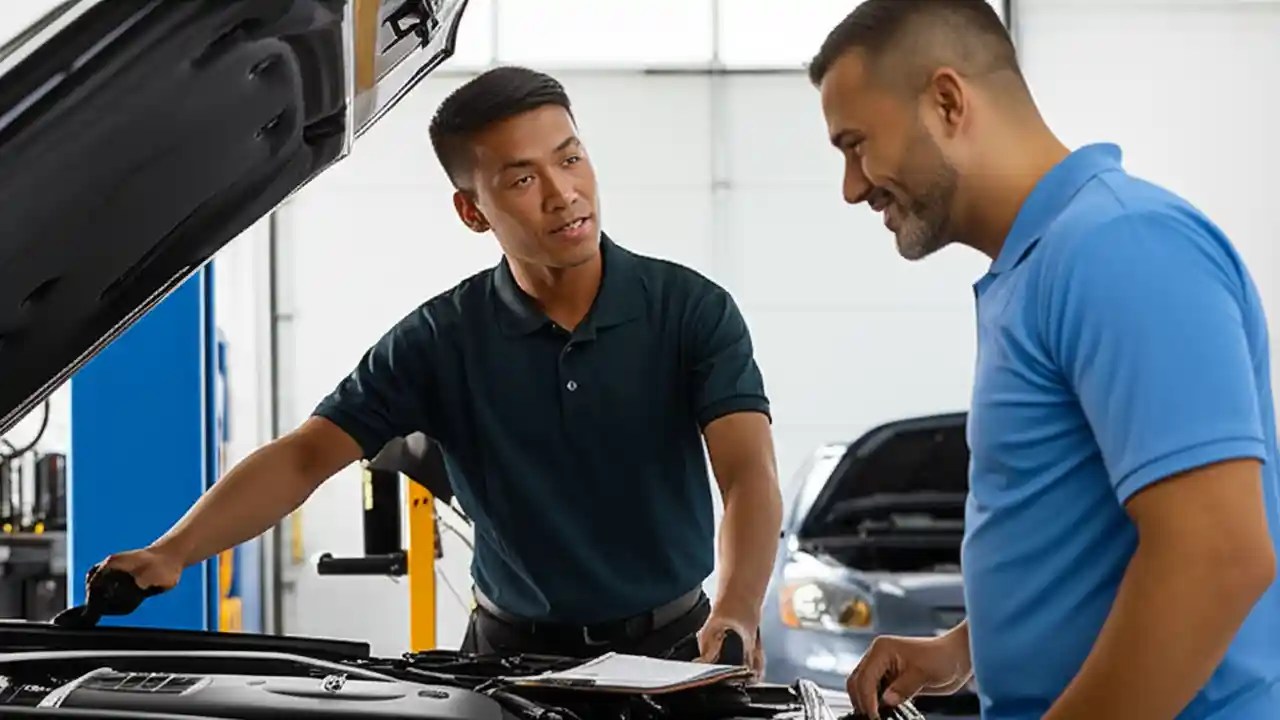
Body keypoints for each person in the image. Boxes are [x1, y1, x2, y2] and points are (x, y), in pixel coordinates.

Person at [96, 66, 783, 673]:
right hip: (505, 659)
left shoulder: (691, 310)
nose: (563, 193)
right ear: (471, 211)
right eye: (522, 178)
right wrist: (174, 551)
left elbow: (748, 475)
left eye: (571, 160)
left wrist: (738, 608)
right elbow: (306, 455)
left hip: (673, 651)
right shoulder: (438, 341)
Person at [807, 1, 1280, 718]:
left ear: (946, 101)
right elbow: (1086, 539)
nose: (850, 186)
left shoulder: (1119, 247)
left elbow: (1218, 555)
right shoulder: (1042, 266)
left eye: (856, 143)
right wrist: (966, 648)